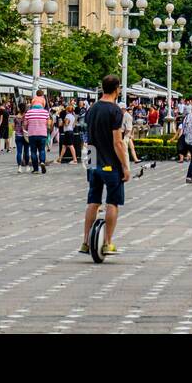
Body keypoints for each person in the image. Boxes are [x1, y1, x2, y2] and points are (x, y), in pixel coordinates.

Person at [81, 75, 129, 257]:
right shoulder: (115, 111)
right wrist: (125, 166)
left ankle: (86, 241)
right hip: (110, 163)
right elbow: (118, 142)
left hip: (93, 161)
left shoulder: (91, 109)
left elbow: (88, 137)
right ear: (117, 89)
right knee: (112, 202)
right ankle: (108, 242)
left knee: (93, 201)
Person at [23, 94, 50, 174]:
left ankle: (35, 169)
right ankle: (42, 161)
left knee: (33, 151)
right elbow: (48, 124)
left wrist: (26, 128)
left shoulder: (29, 112)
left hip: (32, 134)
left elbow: (25, 124)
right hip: (42, 134)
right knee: (42, 149)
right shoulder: (45, 112)